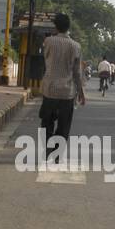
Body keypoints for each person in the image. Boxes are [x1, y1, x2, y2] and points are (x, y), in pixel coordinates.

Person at [39, 14, 86, 151]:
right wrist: (81, 93)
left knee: (46, 122)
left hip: (50, 90)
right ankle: (57, 153)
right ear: (68, 27)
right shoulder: (76, 46)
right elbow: (77, 72)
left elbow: (46, 60)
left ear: (55, 26)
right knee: (64, 125)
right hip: (67, 93)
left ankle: (47, 148)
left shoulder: (48, 41)